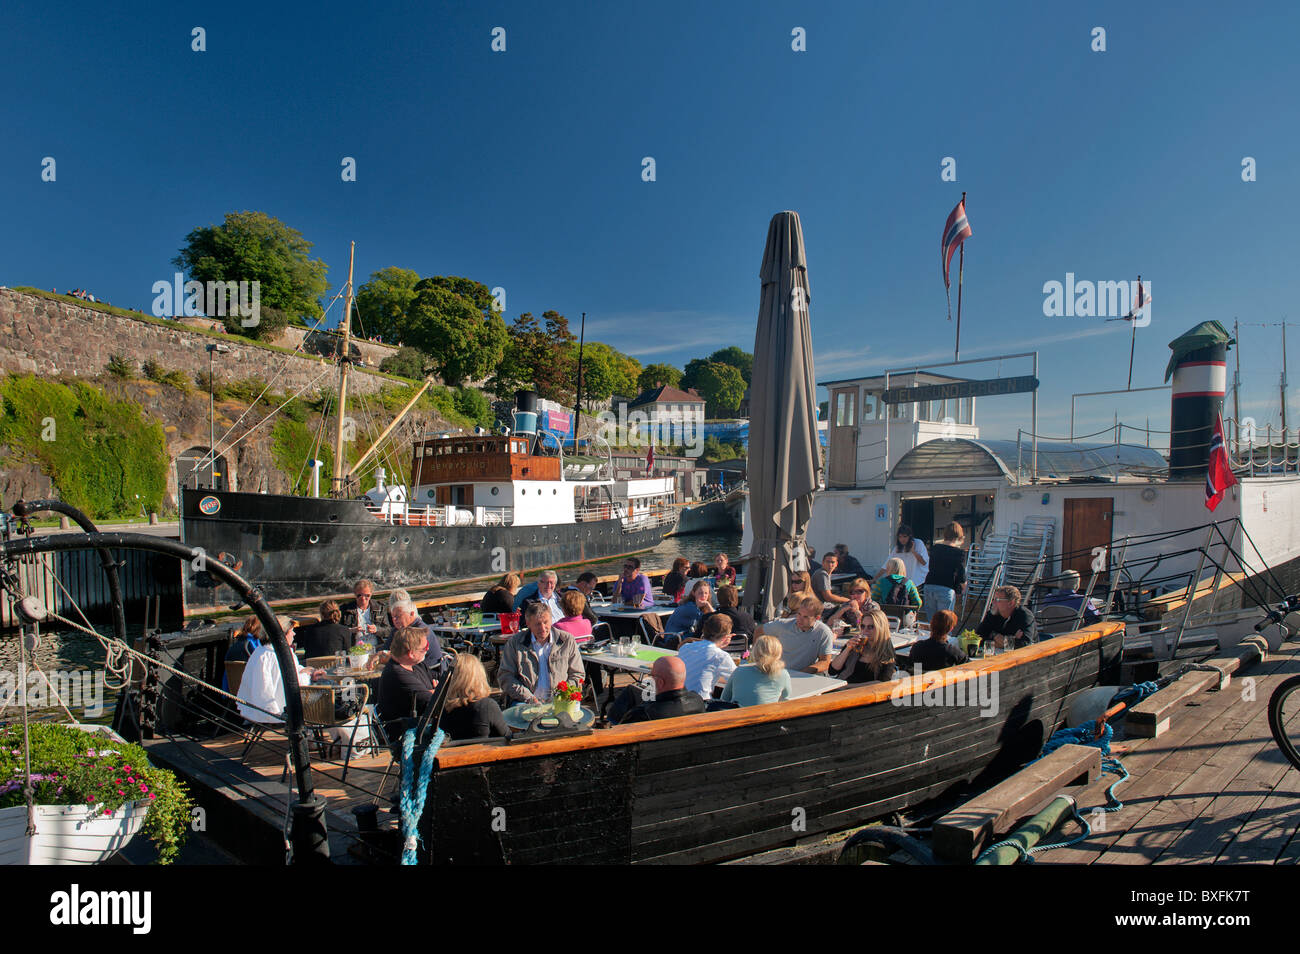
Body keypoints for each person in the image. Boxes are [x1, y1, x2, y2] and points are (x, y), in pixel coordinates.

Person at [237, 616, 323, 722]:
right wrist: (309, 676)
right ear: (283, 634)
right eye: (291, 631)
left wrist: (305, 671)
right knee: (326, 691)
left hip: (257, 708)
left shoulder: (261, 651)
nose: (294, 634)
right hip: (279, 710)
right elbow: (292, 685)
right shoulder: (280, 655)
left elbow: (283, 676)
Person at [497, 602, 586, 704]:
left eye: (545, 622)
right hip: (524, 701)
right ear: (528, 623)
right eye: (537, 624)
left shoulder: (566, 640)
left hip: (560, 699)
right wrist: (528, 698)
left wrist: (560, 694)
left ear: (551, 620)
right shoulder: (515, 643)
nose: (543, 628)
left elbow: (577, 674)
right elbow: (505, 676)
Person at [438, 653, 510, 741]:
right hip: (483, 749)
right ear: (480, 676)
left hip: (451, 748)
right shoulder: (487, 706)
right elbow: (507, 737)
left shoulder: (442, 707)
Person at [376, 626, 437, 729]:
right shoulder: (397, 674)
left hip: (421, 723)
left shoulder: (416, 664)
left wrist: (434, 691)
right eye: (425, 647)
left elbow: (439, 682)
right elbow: (433, 702)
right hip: (406, 732)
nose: (428, 649)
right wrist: (436, 691)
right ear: (411, 653)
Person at [755, 595, 835, 674]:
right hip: (779, 673)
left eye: (805, 617)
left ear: (817, 618)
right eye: (799, 614)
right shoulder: (783, 625)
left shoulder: (824, 632)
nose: (799, 619)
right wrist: (758, 658)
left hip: (804, 676)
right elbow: (758, 631)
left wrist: (802, 673)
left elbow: (825, 662)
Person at [618, 656, 707, 724]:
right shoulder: (698, 700)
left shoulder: (644, 714)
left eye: (651, 675)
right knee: (632, 691)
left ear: (660, 682)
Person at [720, 635, 792, 707]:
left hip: (739, 713)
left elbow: (724, 699)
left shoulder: (739, 671)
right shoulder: (783, 674)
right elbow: (785, 700)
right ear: (778, 653)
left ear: (755, 652)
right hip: (767, 713)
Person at [828, 609, 898, 683]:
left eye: (870, 627)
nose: (865, 630)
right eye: (862, 626)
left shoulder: (886, 651)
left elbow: (882, 682)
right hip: (842, 685)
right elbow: (832, 671)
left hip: (865, 689)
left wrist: (847, 687)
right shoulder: (855, 644)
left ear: (881, 628)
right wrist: (847, 650)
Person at [678, 614, 737, 700]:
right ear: (726, 637)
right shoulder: (720, 656)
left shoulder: (685, 647)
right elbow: (737, 680)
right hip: (701, 702)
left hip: (680, 699)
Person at [921, 523, 967, 619]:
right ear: (958, 536)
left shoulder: (935, 548)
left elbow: (931, 566)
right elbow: (961, 573)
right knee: (945, 622)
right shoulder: (959, 553)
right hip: (946, 587)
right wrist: (964, 587)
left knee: (932, 621)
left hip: (929, 585)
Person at [976, 585, 1036, 650]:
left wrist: (993, 636)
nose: (993, 602)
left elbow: (1025, 645)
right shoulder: (993, 613)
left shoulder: (1025, 616)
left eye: (997, 600)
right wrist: (1008, 640)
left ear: (1011, 603)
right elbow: (977, 638)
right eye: (993, 599)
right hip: (996, 654)